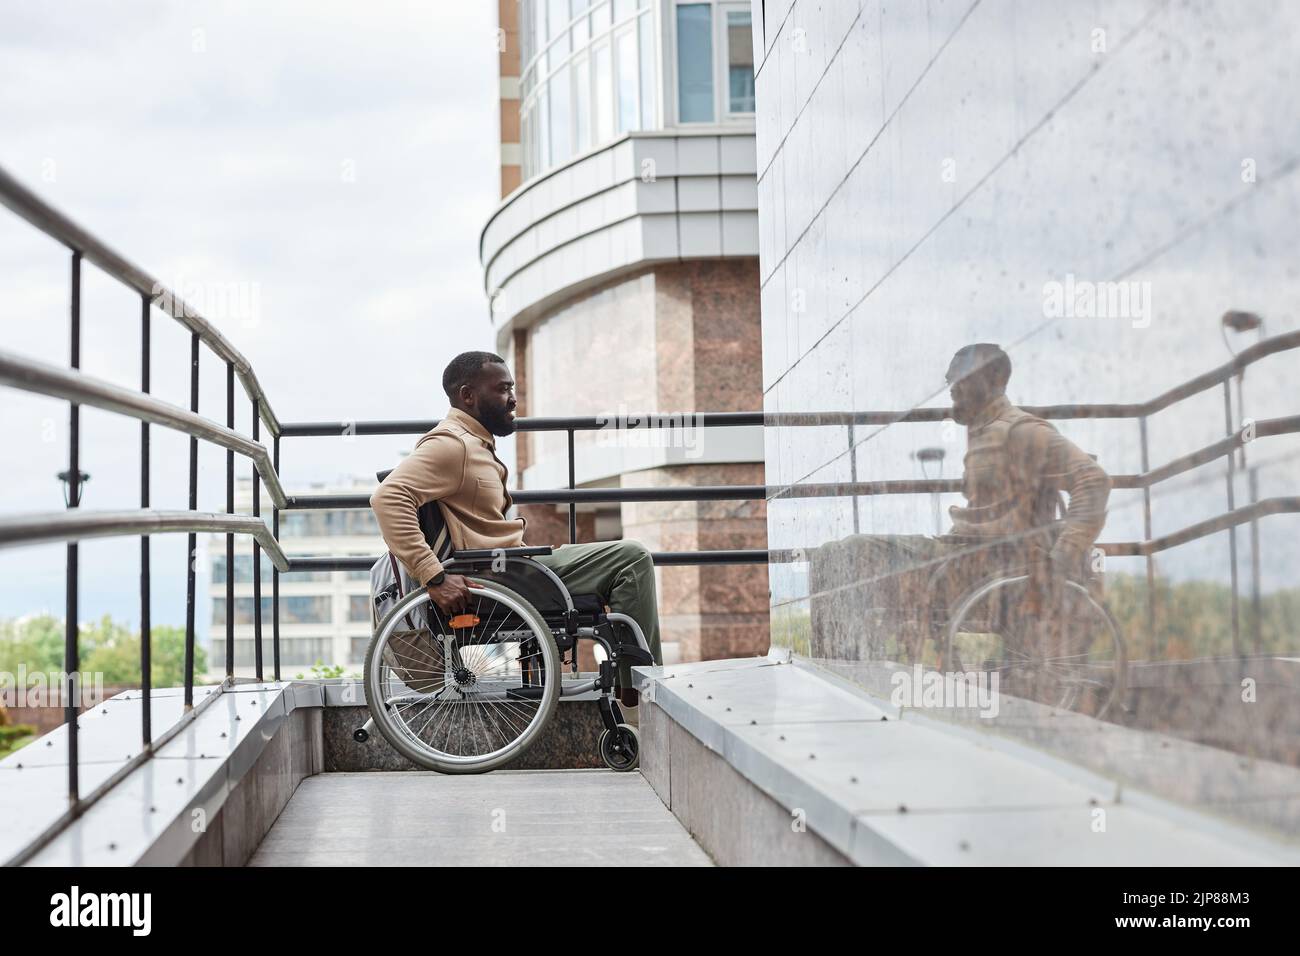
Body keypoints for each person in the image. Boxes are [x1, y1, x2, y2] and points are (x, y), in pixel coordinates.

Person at [370, 350, 661, 706]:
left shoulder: (472, 442)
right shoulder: (451, 444)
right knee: (630, 558)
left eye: (512, 388)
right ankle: (640, 695)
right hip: (499, 577)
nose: (513, 398)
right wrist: (435, 578)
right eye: (503, 389)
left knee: (620, 559)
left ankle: (633, 687)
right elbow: (387, 498)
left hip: (510, 567)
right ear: (468, 396)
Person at [808, 343, 1112, 661]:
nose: (953, 388)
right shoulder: (986, 432)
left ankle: (848, 669)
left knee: (853, 553)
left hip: (982, 568)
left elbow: (1093, 481)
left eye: (961, 378)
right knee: (827, 557)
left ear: (993, 378)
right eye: (951, 380)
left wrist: (1059, 561)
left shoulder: (1020, 431)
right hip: (963, 559)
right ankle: (836, 669)